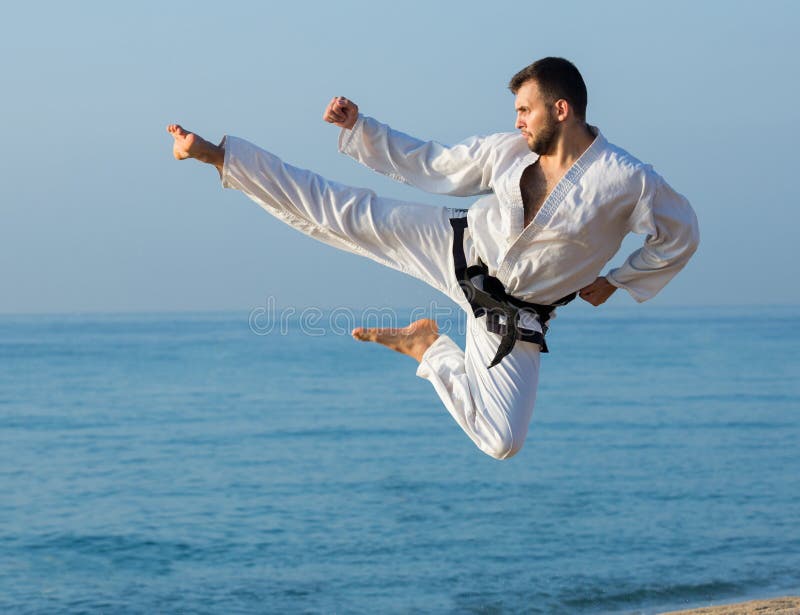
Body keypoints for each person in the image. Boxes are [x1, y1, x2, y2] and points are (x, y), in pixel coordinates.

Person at [166, 57, 699, 460]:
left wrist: (619, 280)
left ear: (561, 110)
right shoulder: (509, 152)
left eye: (525, 110)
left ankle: (426, 346)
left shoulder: (627, 180)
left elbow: (680, 235)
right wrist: (361, 129)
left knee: (501, 441)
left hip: (511, 316)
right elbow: (435, 164)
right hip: (458, 249)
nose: (517, 122)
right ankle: (215, 154)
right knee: (340, 213)